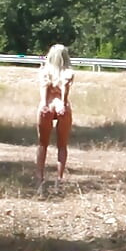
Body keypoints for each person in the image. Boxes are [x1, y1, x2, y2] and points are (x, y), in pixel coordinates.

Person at [37, 44, 74, 188]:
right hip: (61, 104)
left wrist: (45, 104)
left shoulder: (44, 71)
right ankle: (59, 180)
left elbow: (44, 87)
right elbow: (65, 88)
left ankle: (39, 178)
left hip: (47, 103)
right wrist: (63, 104)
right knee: (62, 145)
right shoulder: (68, 72)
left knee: (42, 144)